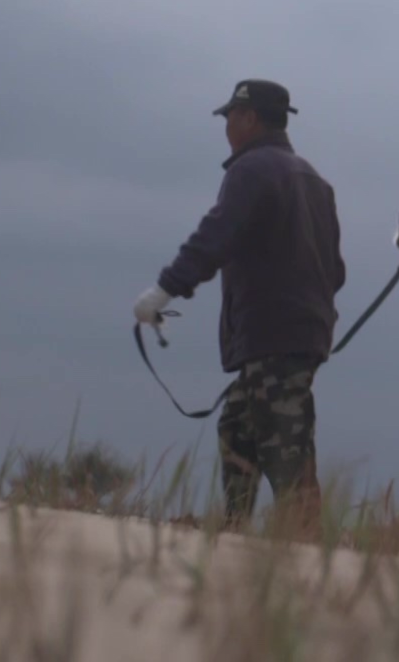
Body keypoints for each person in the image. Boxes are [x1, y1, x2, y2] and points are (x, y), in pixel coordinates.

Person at [132, 78, 346, 532]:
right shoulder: (317, 182)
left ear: (249, 118)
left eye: (229, 116)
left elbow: (214, 238)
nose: (226, 125)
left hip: (273, 337)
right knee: (237, 427)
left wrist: (163, 292)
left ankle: (305, 544)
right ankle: (234, 531)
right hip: (302, 335)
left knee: (286, 443)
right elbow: (337, 272)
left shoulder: (250, 171)